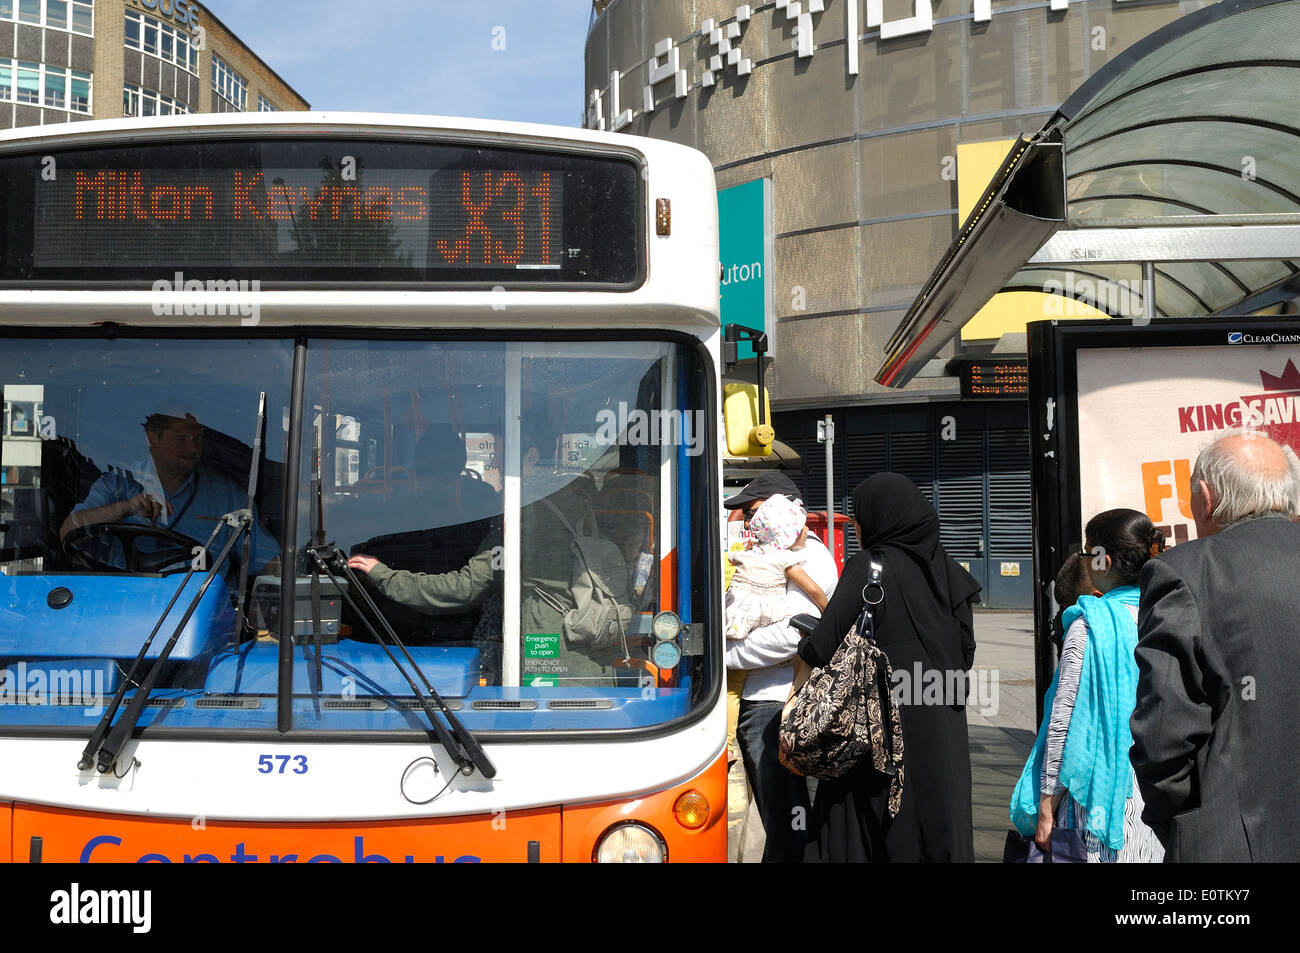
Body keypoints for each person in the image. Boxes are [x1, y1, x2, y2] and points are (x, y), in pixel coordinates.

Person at [790, 473, 979, 862]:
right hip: (942, 731)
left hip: (880, 729)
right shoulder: (952, 577)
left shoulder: (869, 566)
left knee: (868, 824)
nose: (856, 527)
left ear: (880, 518)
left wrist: (801, 644)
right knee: (934, 820)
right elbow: (963, 657)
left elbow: (823, 644)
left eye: (858, 518)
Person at [1130, 430, 1300, 862]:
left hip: (1231, 841)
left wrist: (1185, 823)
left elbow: (1164, 735)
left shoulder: (1184, 572)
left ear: (1204, 498)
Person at [347, 423, 625, 684]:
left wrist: (384, 576)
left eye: (500, 455)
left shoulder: (522, 513)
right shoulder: (572, 500)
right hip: (588, 660)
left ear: (529, 457)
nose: (495, 464)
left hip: (548, 658)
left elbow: (465, 587)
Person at [1010, 508, 1165, 863]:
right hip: (1152, 794)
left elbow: (1063, 719)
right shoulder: (1164, 614)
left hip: (1095, 799)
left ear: (1102, 560)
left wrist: (1046, 802)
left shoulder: (1088, 626)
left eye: (1087, 550)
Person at [724, 471, 838, 863]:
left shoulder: (809, 557)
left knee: (786, 817)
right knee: (776, 817)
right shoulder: (773, 553)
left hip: (776, 704)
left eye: (754, 512)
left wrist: (726, 654)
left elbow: (797, 634)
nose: (750, 524)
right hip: (760, 701)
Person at [59, 406, 278, 573]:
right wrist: (125, 509)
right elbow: (68, 531)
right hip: (123, 607)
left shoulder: (226, 496)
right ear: (153, 438)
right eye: (181, 440)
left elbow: (269, 561)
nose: (193, 448)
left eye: (197, 439)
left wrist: (271, 602)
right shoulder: (117, 486)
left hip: (204, 616)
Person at [725, 493, 828, 640]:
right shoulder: (785, 558)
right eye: (801, 529)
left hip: (734, 608)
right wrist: (828, 615)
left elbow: (733, 560)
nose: (806, 531)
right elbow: (813, 590)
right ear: (791, 535)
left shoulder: (750, 552)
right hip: (763, 614)